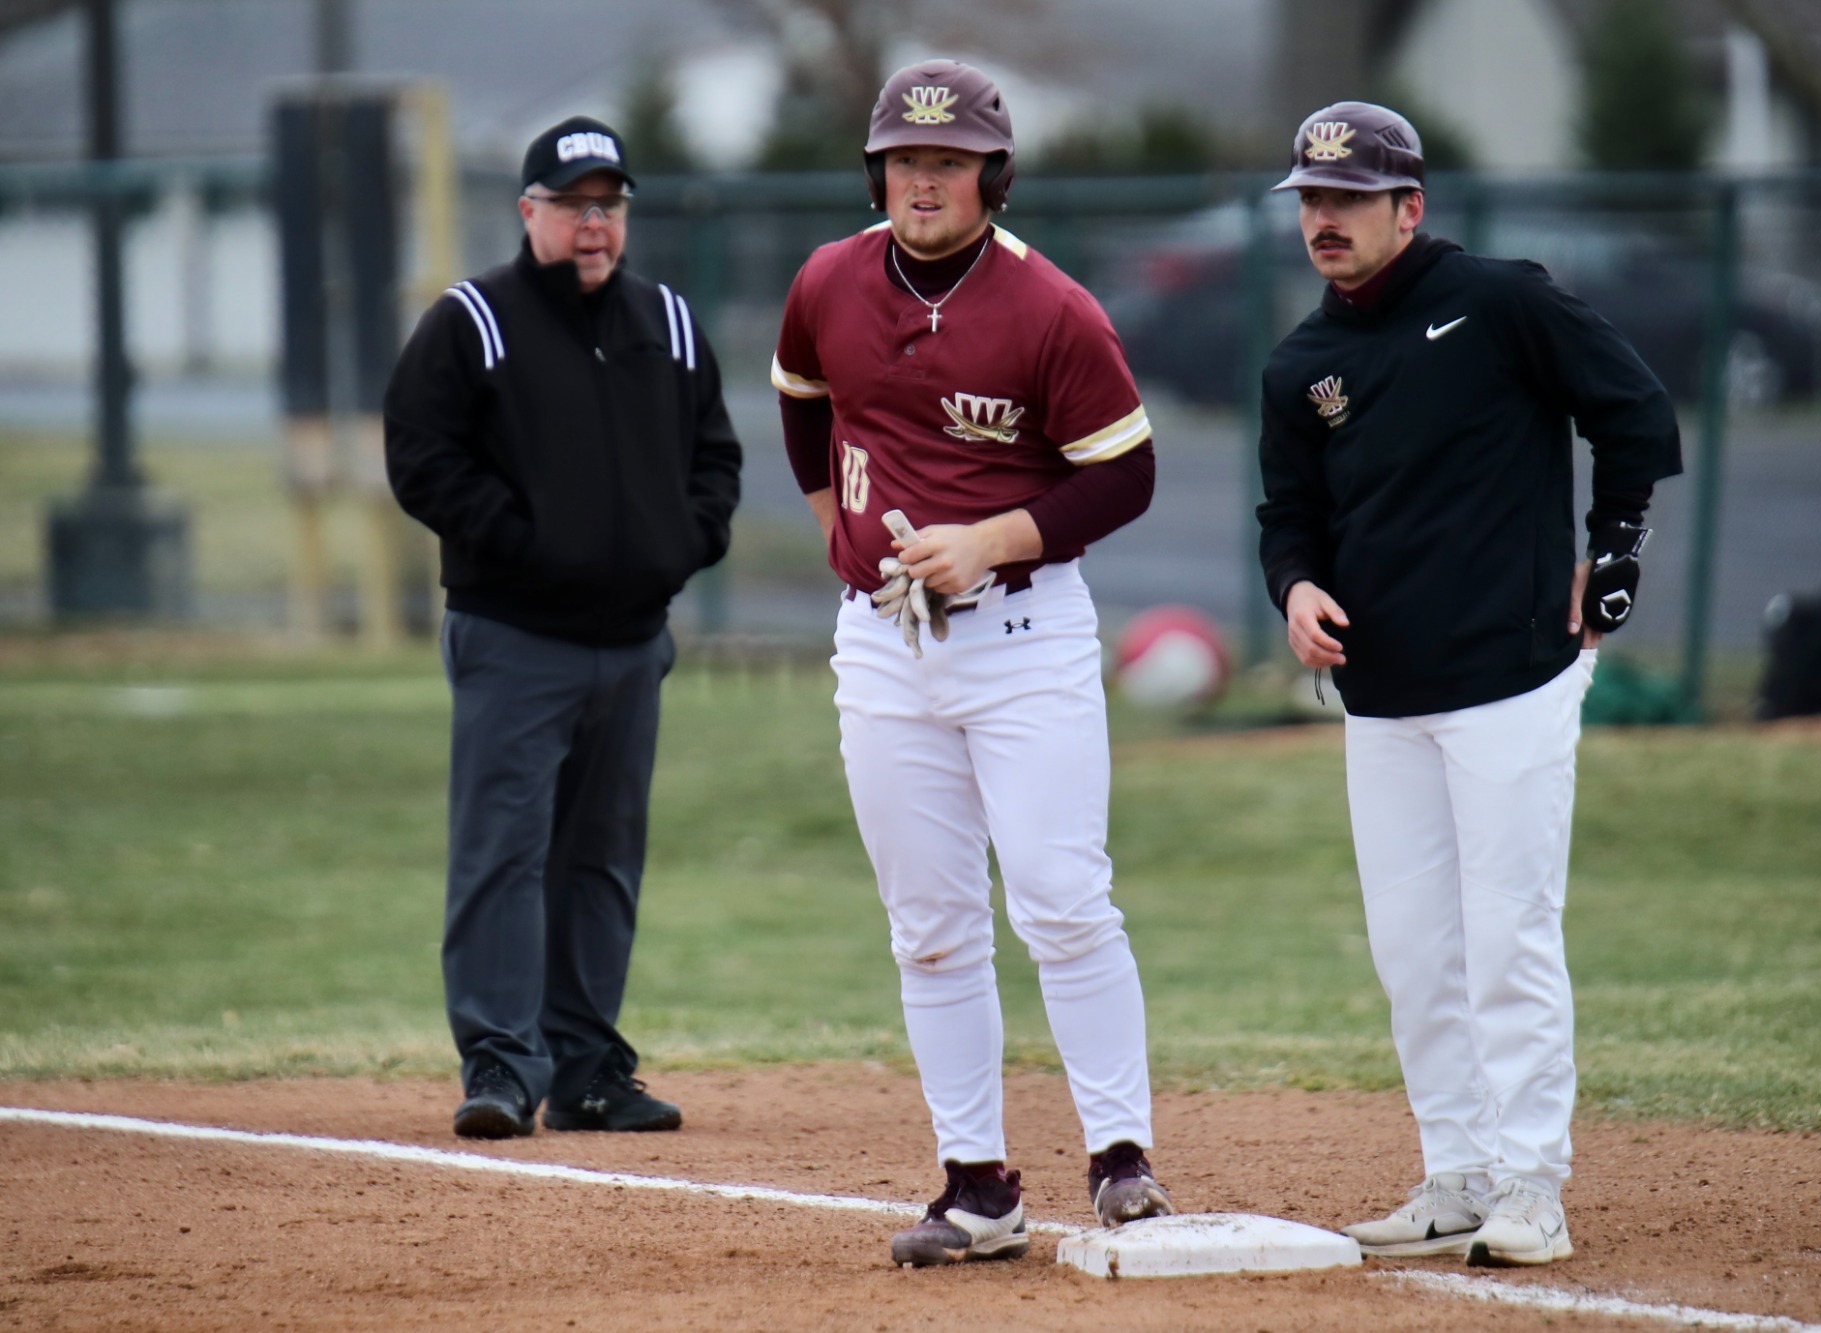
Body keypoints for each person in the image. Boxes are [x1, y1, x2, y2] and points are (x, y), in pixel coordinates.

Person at [1256, 103, 1681, 1266]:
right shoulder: (1303, 363)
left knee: (1506, 936)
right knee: (1412, 949)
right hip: (1380, 696)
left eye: (1346, 198)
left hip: (1510, 676)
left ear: (1410, 206)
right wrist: (1293, 589)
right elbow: (1286, 517)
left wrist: (1618, 546)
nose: (1322, 219)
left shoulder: (1500, 302)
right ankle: (1453, 1172)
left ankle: (1530, 1183)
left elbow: (1633, 410)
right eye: (1308, 200)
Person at [771, 59, 1172, 1266]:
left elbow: (1126, 472)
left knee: (1058, 894)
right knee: (931, 926)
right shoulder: (829, 280)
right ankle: (977, 1186)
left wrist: (991, 540)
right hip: (881, 644)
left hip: (1025, 635)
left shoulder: (1051, 310)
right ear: (876, 172)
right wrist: (836, 531)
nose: (922, 180)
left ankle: (1119, 1158)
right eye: (903, 159)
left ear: (992, 176)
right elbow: (799, 398)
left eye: (946, 162)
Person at [385, 116, 742, 1139]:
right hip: (515, 634)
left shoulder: (667, 323)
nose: (594, 224)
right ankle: (500, 1065)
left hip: (632, 640)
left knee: (601, 858)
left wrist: (685, 541)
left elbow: (714, 457)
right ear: (528, 210)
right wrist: (521, 543)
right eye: (574, 204)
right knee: (503, 852)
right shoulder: (473, 321)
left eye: (610, 204)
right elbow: (421, 455)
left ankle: (585, 1066)